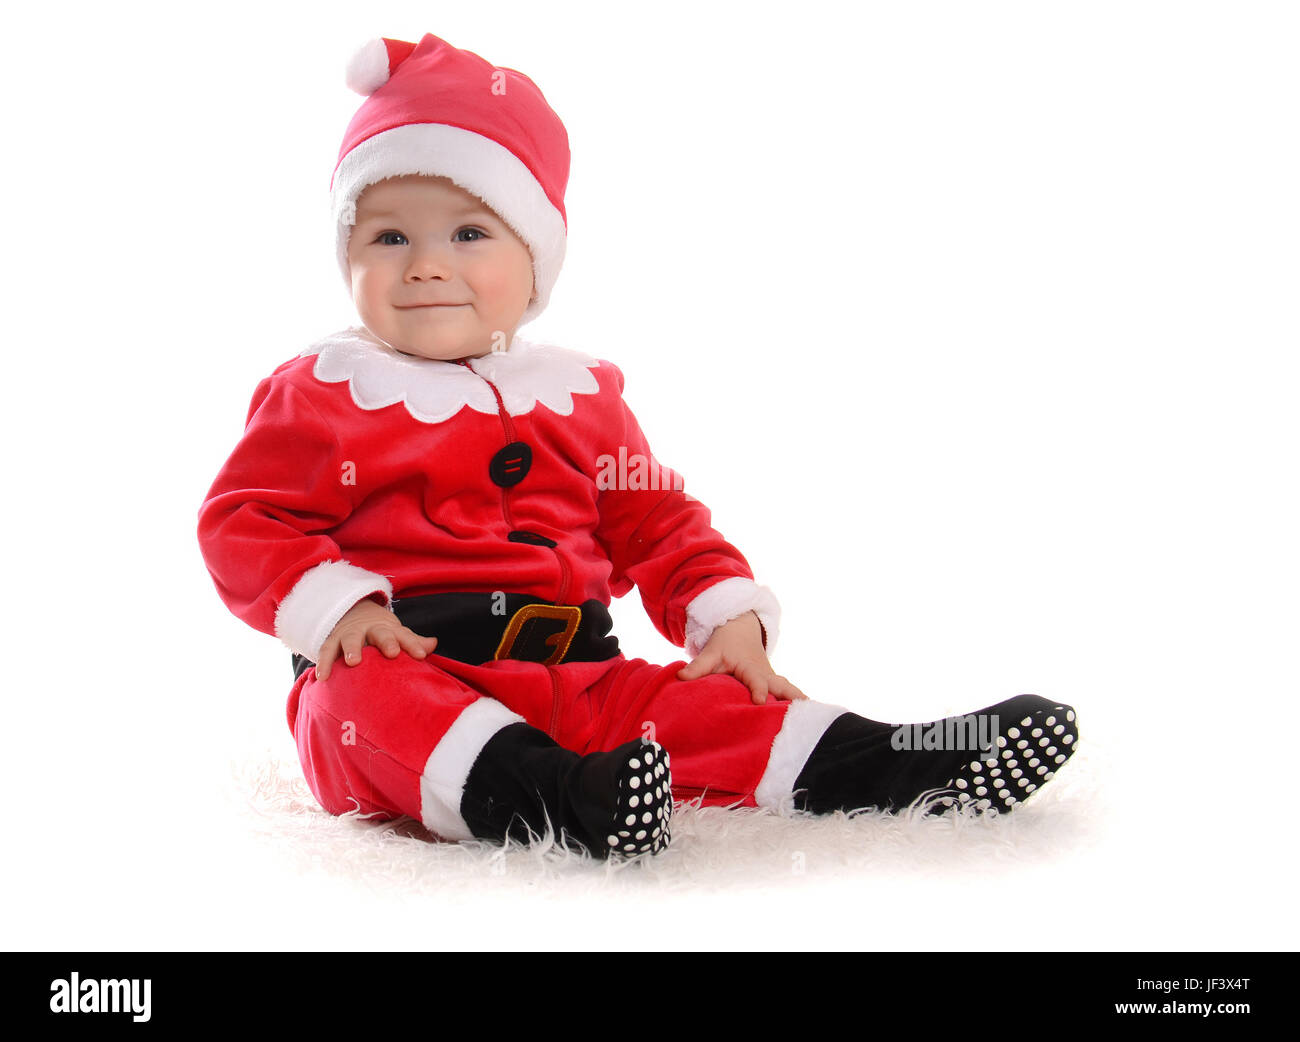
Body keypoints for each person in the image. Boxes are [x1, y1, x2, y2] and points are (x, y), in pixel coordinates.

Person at [196, 32, 1079, 861]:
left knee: (701, 707)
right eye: (388, 237)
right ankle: (554, 799)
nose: (425, 265)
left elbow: (655, 519)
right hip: (416, 668)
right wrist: (338, 611)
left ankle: (892, 763)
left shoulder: (579, 397)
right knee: (358, 703)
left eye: (469, 233)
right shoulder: (324, 389)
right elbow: (242, 519)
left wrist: (722, 611)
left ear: (535, 260)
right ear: (346, 253)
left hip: (580, 674)